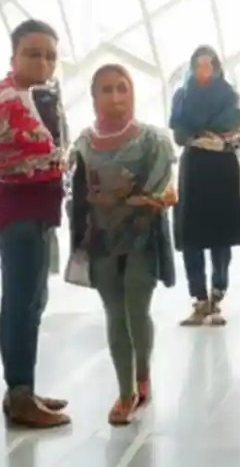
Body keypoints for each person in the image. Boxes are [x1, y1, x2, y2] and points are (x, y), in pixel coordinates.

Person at [71, 64, 177, 426]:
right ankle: (125, 391)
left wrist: (148, 198)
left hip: (141, 238)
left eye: (122, 88)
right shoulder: (84, 143)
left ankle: (142, 374)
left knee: (136, 309)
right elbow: (75, 191)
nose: (115, 98)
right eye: (106, 90)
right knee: (114, 313)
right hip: (101, 239)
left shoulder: (152, 140)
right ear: (94, 96)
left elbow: (165, 188)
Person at [0, 19, 69, 429]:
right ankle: (20, 395)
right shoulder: (9, 101)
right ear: (13, 56)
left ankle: (22, 388)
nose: (43, 62)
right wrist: (64, 163)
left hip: (29, 215)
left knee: (26, 302)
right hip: (19, 216)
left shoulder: (26, 96)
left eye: (50, 55)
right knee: (22, 305)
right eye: (33, 53)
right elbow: (5, 161)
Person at [170, 46, 240, 326]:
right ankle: (198, 297)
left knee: (220, 232)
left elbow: (233, 127)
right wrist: (202, 133)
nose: (204, 70)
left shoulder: (228, 95)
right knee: (192, 233)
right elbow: (179, 133)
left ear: (216, 67)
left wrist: (203, 132)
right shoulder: (183, 96)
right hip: (194, 168)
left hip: (222, 167)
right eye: (199, 64)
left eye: (209, 64)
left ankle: (218, 291)